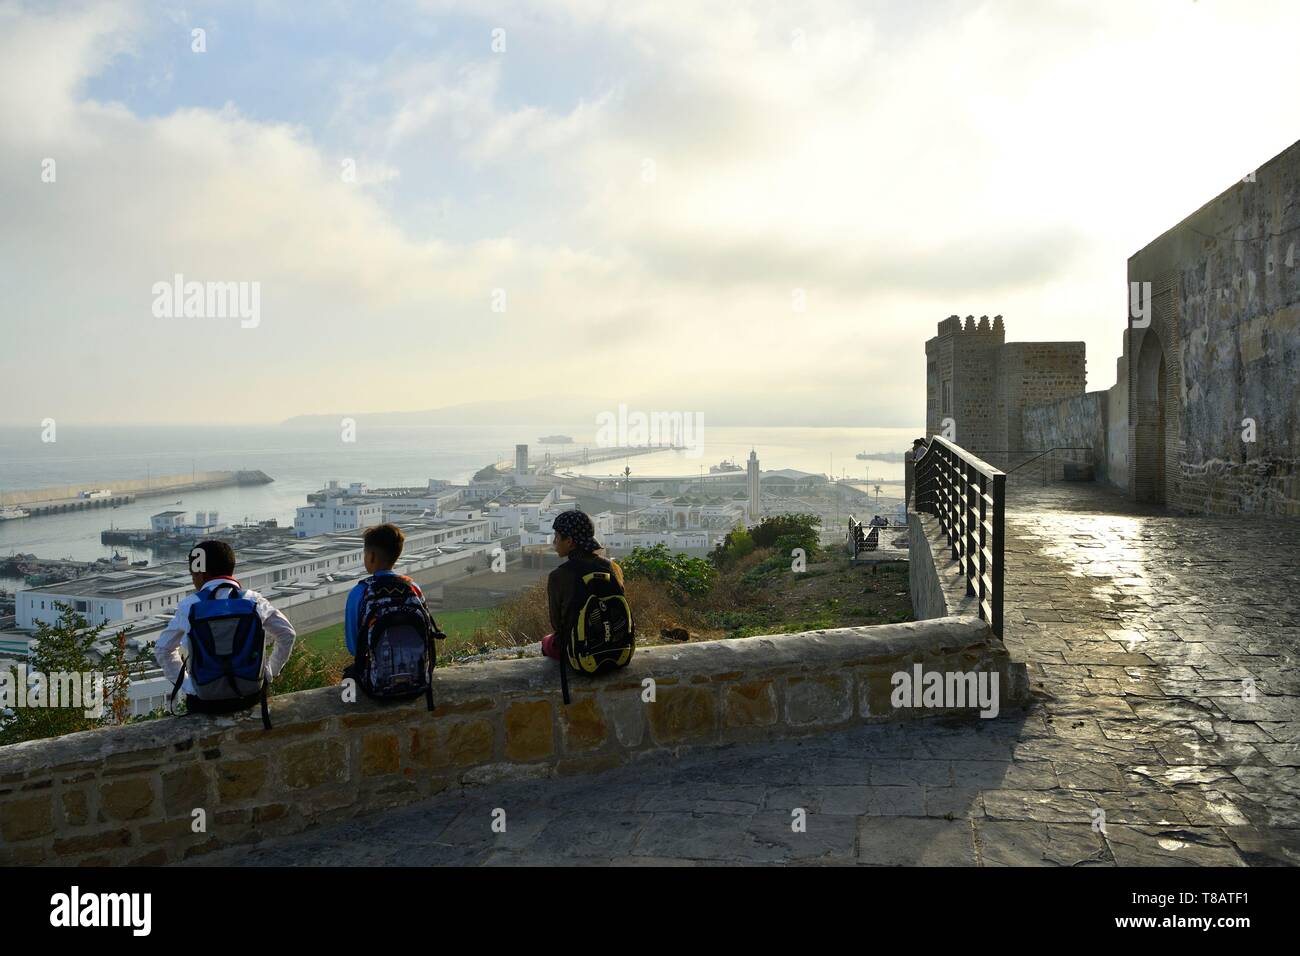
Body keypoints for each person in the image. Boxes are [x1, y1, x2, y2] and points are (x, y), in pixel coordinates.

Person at [155, 539, 296, 717]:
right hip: (250, 695)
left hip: (206, 701)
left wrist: (190, 686)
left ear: (200, 573)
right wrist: (268, 673)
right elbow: (287, 634)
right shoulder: (254, 601)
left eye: (193, 576)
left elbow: (162, 649)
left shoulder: (189, 606)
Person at [344, 523, 434, 680]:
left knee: (348, 680)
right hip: (417, 679)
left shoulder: (359, 592)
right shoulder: (412, 587)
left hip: (376, 682)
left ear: (371, 556)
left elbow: (354, 647)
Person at [542, 510, 624, 661]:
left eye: (557, 537)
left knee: (547, 642)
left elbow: (557, 624)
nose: (554, 542)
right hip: (617, 647)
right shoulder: (612, 567)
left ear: (569, 541)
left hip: (580, 651)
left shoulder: (558, 576)